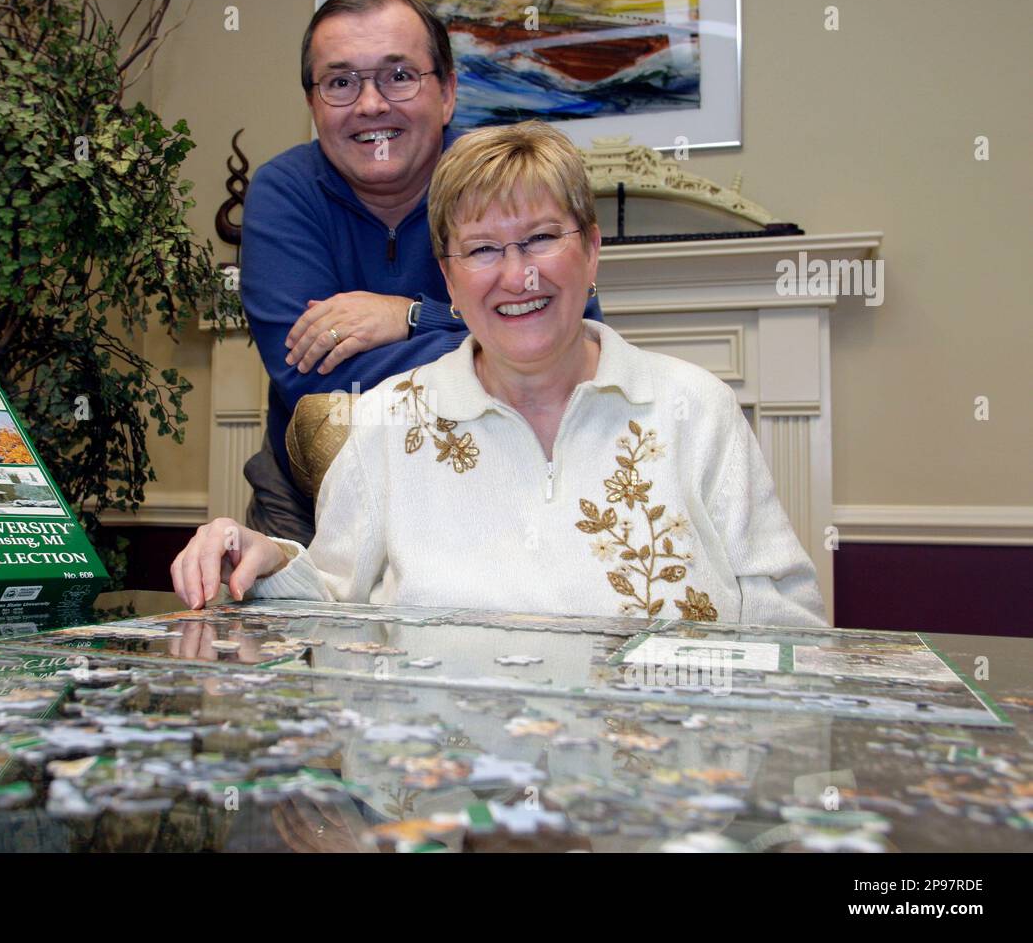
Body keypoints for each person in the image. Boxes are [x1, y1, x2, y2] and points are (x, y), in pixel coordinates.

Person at [176, 120, 827, 628]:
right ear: (449, 277)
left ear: (593, 250)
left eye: (543, 238)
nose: (519, 276)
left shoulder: (696, 411)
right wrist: (259, 559)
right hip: (440, 790)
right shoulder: (385, 422)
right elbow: (331, 598)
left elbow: (790, 624)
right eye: (483, 249)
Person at [239, 0, 602, 545]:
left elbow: (575, 340)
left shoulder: (503, 181)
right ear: (313, 104)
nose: (371, 105)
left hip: (502, 480)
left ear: (448, 93)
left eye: (399, 75)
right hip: (319, 498)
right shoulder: (282, 192)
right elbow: (319, 388)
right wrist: (491, 341)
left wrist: (410, 316)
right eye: (340, 82)